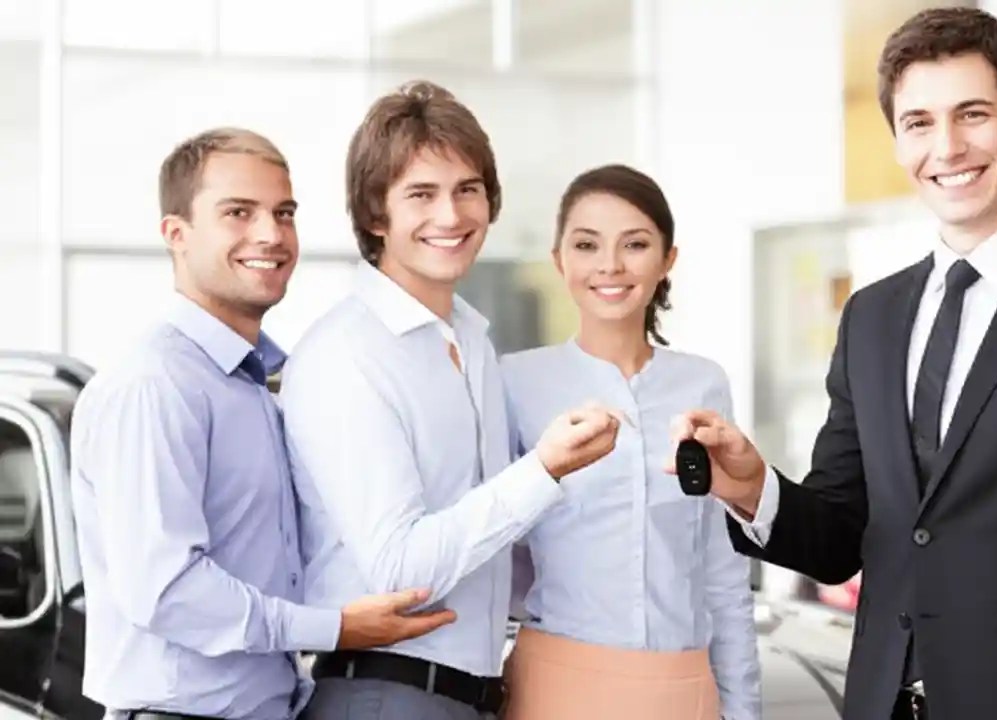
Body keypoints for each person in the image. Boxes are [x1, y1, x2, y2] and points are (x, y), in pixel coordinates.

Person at [670, 8, 997, 720]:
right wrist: (755, 488)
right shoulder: (872, 316)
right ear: (897, 140)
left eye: (973, 114)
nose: (947, 147)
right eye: (919, 122)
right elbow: (842, 538)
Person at [69, 128, 457, 720]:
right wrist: (336, 629)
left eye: (284, 212)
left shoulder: (254, 385)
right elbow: (169, 592)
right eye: (238, 213)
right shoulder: (155, 385)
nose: (271, 235)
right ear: (176, 234)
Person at [278, 82, 621, 720]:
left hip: (474, 695)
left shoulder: (472, 339)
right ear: (375, 215)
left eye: (468, 189)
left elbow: (495, 555)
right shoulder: (345, 355)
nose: (452, 216)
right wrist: (542, 470)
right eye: (421, 195)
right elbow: (401, 570)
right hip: (385, 696)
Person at [499, 165, 762, 720]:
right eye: (587, 245)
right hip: (556, 682)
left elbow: (722, 570)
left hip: (682, 683)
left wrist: (744, 712)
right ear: (559, 260)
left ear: (668, 258)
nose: (610, 266)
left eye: (635, 244)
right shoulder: (516, 383)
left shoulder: (703, 384)